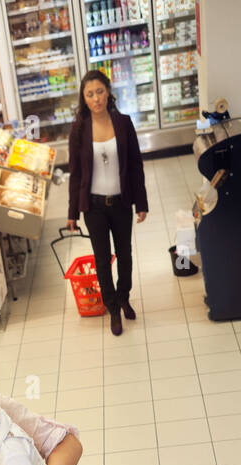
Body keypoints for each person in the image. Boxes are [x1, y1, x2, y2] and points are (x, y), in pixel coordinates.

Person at [67, 68, 148, 337]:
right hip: (94, 206)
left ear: (108, 92)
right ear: (84, 98)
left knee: (125, 255)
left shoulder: (123, 123)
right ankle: (112, 307)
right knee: (102, 260)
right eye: (89, 94)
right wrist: (72, 213)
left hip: (122, 202)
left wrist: (141, 203)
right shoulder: (79, 129)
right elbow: (75, 173)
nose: (96, 98)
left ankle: (124, 297)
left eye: (99, 91)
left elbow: (135, 165)